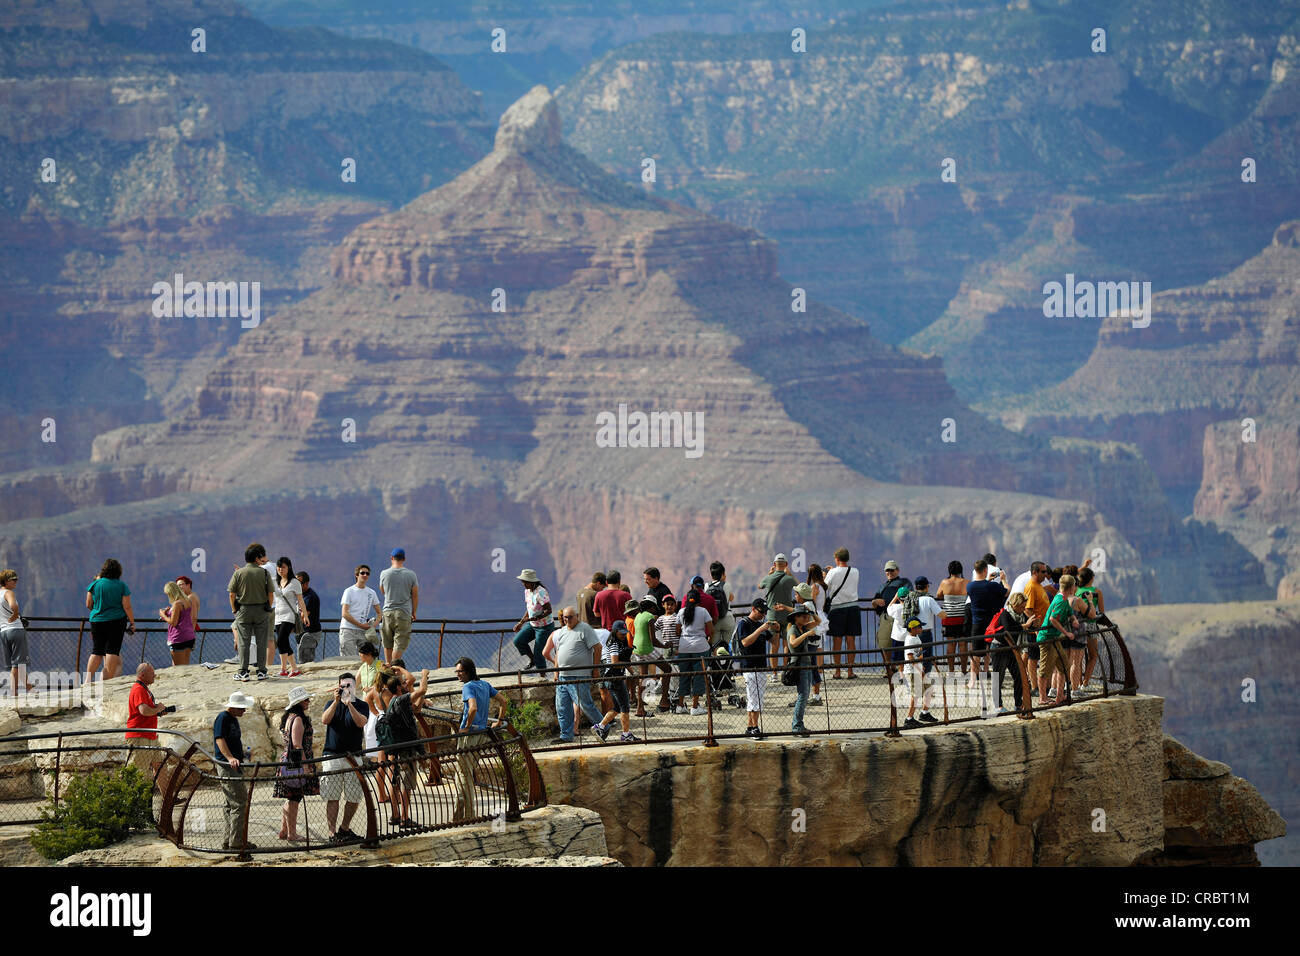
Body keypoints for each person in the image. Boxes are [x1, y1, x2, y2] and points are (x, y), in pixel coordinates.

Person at [453, 657, 510, 820]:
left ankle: (469, 815)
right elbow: (503, 701)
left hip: (469, 735)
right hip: (482, 733)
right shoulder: (485, 685)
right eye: (456, 671)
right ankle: (458, 815)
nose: (458, 674)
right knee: (463, 774)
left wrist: (465, 727)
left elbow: (472, 708)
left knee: (465, 776)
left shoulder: (468, 687)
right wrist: (498, 721)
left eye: (460, 671)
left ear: (468, 671)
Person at [542, 607, 610, 742]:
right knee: (562, 706)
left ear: (577, 616)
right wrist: (556, 671)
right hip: (563, 676)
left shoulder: (585, 629)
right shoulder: (561, 632)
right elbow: (559, 653)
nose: (568, 620)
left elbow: (598, 648)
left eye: (570, 617)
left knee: (585, 704)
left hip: (579, 675)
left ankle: (604, 727)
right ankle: (566, 736)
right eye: (565, 617)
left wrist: (595, 669)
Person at [375, 669, 429, 828]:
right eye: (403, 683)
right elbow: (422, 690)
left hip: (398, 748)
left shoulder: (392, 701)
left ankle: (396, 815)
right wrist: (425, 675)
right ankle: (405, 819)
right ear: (398, 687)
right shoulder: (402, 699)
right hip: (407, 749)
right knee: (407, 784)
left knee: (396, 781)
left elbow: (416, 709)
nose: (406, 684)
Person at [319, 672, 369, 843]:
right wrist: (336, 702)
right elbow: (325, 720)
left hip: (354, 756)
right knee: (333, 796)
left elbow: (361, 722)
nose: (346, 689)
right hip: (332, 756)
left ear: (355, 686)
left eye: (349, 686)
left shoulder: (362, 705)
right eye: (343, 686)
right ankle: (332, 833)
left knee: (354, 796)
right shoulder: (330, 703)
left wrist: (350, 706)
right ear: (338, 687)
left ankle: (344, 828)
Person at [273, 686, 319, 842]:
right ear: (299, 702)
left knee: (291, 797)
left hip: (289, 760)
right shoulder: (298, 719)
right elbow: (297, 745)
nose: (308, 701)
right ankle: (291, 833)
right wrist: (305, 765)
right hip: (296, 762)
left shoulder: (289, 717)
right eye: (306, 699)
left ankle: (284, 830)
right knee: (294, 798)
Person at [214, 691, 256, 851]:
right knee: (239, 803)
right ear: (234, 707)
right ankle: (237, 841)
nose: (244, 711)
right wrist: (230, 758)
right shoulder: (223, 718)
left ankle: (229, 840)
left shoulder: (232, 719)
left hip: (233, 765)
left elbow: (231, 741)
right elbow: (220, 739)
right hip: (228, 766)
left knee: (230, 804)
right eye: (242, 708)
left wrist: (242, 754)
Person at [228, 545, 274, 682]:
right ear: (256, 558)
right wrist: (267, 607)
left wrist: (234, 610)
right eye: (260, 557)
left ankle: (243, 672)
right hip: (261, 610)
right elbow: (270, 594)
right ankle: (261, 671)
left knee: (244, 642)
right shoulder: (264, 573)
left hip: (243, 610)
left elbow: (232, 594)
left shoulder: (238, 573)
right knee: (262, 642)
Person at [85, 558, 134, 683]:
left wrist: (98, 609)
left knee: (97, 651)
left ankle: (87, 681)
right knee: (112, 650)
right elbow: (127, 606)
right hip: (117, 621)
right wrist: (132, 622)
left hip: (97, 620)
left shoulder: (95, 584)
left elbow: (88, 604)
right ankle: (108, 681)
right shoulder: (121, 585)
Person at [735, 599, 776, 738]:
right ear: (753, 609)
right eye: (761, 612)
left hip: (761, 665)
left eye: (765, 612)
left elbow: (774, 641)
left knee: (757, 697)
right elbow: (745, 642)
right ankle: (755, 727)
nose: (763, 615)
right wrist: (760, 630)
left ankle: (750, 726)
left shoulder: (761, 625)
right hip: (750, 665)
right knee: (754, 698)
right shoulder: (744, 623)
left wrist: (777, 629)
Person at [984, 592, 1029, 716]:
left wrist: (1031, 625)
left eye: (1024, 607)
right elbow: (1009, 628)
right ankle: (998, 705)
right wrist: (1024, 626)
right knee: (998, 677)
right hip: (999, 648)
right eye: (1021, 607)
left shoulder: (1021, 615)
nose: (1023, 609)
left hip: (1012, 649)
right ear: (1014, 605)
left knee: (1018, 676)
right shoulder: (1006, 614)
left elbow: (1021, 627)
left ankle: (1018, 704)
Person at [1035, 574, 1077, 705]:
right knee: (1044, 670)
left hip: (1054, 639)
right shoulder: (1060, 600)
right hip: (1047, 639)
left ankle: (1060, 696)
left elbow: (1069, 611)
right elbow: (1053, 619)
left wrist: (1073, 619)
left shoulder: (1063, 599)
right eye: (1074, 586)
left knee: (1064, 666)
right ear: (1071, 588)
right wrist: (1067, 633)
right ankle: (1042, 698)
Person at [966, 559, 1007, 688]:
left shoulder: (970, 586)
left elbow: (981, 588)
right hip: (991, 624)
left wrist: (987, 580)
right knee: (991, 650)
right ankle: (990, 675)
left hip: (976, 623)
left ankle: (972, 681)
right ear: (985, 570)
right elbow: (1007, 591)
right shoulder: (992, 586)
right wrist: (1004, 580)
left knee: (976, 653)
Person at [674, 590, 714, 715]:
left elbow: (677, 631)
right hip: (700, 646)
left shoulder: (681, 612)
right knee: (699, 675)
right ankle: (695, 706)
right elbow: (711, 630)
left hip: (684, 647)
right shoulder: (703, 611)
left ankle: (680, 705)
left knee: (684, 675)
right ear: (699, 600)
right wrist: (709, 640)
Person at [823, 549, 860, 680]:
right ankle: (850, 671)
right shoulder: (855, 571)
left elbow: (825, 586)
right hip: (853, 608)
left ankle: (837, 671)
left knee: (837, 640)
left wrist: (826, 575)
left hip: (837, 609)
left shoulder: (832, 572)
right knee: (851, 640)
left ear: (837, 559)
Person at [597, 624, 637, 743]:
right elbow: (615, 663)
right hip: (615, 678)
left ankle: (600, 727)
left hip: (614, 678)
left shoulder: (619, 643)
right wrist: (627, 666)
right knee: (625, 707)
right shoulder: (614, 644)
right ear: (615, 631)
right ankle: (625, 735)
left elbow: (624, 661)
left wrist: (633, 673)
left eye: (625, 632)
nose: (624, 635)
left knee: (617, 708)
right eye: (621, 632)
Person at [631, 597, 671, 717]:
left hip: (637, 649)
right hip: (647, 649)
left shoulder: (637, 616)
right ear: (652, 607)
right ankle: (664, 701)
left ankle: (640, 708)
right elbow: (653, 641)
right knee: (667, 669)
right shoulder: (650, 617)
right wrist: (665, 646)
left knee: (642, 677)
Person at [869, 560, 910, 676]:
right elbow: (875, 602)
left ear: (897, 570)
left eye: (892, 570)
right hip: (886, 617)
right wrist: (875, 602)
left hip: (900, 616)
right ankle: (889, 668)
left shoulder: (904, 582)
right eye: (887, 570)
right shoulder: (882, 586)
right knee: (884, 642)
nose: (889, 572)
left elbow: (909, 594)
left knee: (901, 643)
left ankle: (900, 669)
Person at [759, 554, 797, 676]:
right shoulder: (788, 579)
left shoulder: (768, 578)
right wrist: (790, 574)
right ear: (786, 565)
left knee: (774, 645)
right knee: (787, 644)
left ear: (774, 565)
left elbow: (760, 585)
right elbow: (799, 587)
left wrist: (769, 574)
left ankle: (774, 674)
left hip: (772, 616)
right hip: (787, 616)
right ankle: (786, 672)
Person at [379, 549, 419, 664]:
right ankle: (395, 667)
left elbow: (383, 590)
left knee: (387, 641)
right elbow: (415, 595)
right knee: (399, 642)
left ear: (391, 558)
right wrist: (414, 612)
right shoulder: (411, 574)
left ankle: (388, 667)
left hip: (387, 612)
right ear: (404, 559)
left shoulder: (384, 573)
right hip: (403, 612)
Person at [786, 602, 819, 737]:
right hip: (799, 666)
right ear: (796, 617)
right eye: (803, 616)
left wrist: (811, 612)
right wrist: (806, 635)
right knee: (802, 696)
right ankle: (796, 726)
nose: (806, 619)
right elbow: (793, 643)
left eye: (806, 616)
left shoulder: (802, 628)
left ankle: (800, 725)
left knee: (804, 696)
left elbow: (818, 621)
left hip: (806, 664)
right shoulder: (793, 629)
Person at [511, 569, 554, 672]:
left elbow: (549, 610)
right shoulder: (527, 591)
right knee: (518, 641)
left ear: (532, 581)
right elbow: (529, 608)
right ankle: (533, 660)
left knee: (539, 652)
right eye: (523, 581)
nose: (523, 584)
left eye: (525, 581)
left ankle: (542, 677)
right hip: (532, 624)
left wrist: (538, 617)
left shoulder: (541, 592)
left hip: (544, 626)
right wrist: (521, 623)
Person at [271, 557, 307, 677]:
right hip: (278, 615)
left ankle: (292, 668)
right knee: (282, 642)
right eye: (279, 567)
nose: (281, 569)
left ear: (289, 567)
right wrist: (241, 573)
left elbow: (300, 600)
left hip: (289, 615)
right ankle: (286, 669)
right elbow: (261, 578)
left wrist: (305, 615)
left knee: (281, 640)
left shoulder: (294, 582)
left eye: (283, 567)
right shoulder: (275, 581)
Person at [1, 570, 33, 696]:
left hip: (3, 632)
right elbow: (13, 605)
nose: (16, 582)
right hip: (15, 630)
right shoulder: (9, 593)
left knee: (16, 663)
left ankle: (30, 689)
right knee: (18, 663)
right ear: (6, 581)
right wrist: (15, 615)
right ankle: (13, 693)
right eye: (13, 579)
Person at [899, 618, 935, 729]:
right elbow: (910, 657)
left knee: (928, 690)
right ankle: (909, 718)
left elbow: (919, 653)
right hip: (913, 672)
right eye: (919, 627)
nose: (921, 628)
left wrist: (921, 664)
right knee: (915, 695)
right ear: (913, 628)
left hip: (919, 669)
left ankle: (924, 713)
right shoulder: (910, 640)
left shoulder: (916, 637)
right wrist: (920, 670)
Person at [339, 565, 381, 659]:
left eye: (367, 573)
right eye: (362, 573)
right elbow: (344, 613)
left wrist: (373, 626)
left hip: (364, 631)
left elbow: (379, 613)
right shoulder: (349, 591)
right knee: (348, 660)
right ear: (357, 575)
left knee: (366, 659)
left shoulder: (371, 593)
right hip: (348, 629)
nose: (365, 575)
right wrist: (360, 625)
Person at [935, 560, 969, 674]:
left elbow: (938, 595)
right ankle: (964, 670)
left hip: (948, 618)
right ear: (960, 570)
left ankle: (951, 671)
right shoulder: (966, 582)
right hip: (962, 617)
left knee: (951, 644)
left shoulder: (945, 582)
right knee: (963, 644)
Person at [1077, 566, 1106, 686]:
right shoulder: (1096, 592)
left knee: (1078, 658)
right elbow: (1101, 611)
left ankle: (1076, 684)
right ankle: (1085, 683)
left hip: (1077, 625)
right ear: (1092, 578)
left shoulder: (1076, 590)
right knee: (1093, 655)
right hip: (1091, 626)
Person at [654, 594, 682, 709]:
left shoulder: (677, 617)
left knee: (675, 670)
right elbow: (654, 628)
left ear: (675, 606)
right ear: (663, 605)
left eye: (671, 604)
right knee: (666, 670)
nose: (669, 607)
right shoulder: (660, 619)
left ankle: (675, 692)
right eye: (667, 604)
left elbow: (681, 632)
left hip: (676, 648)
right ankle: (668, 691)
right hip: (666, 648)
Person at [158, 581, 196, 666]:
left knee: (177, 667)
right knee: (186, 666)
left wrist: (163, 615)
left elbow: (173, 622)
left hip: (178, 638)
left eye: (168, 594)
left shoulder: (176, 604)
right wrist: (169, 612)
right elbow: (183, 616)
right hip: (189, 636)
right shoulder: (188, 601)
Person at [705, 561, 735, 655]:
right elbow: (731, 598)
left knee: (716, 648)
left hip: (715, 620)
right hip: (728, 618)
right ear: (723, 574)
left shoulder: (707, 586)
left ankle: (716, 667)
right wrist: (724, 581)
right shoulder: (727, 585)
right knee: (726, 646)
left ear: (711, 574)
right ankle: (727, 667)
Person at [296, 571, 323, 663]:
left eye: (299, 583)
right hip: (303, 632)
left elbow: (303, 616)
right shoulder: (301, 596)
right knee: (301, 656)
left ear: (306, 583)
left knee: (305, 660)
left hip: (311, 633)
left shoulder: (310, 597)